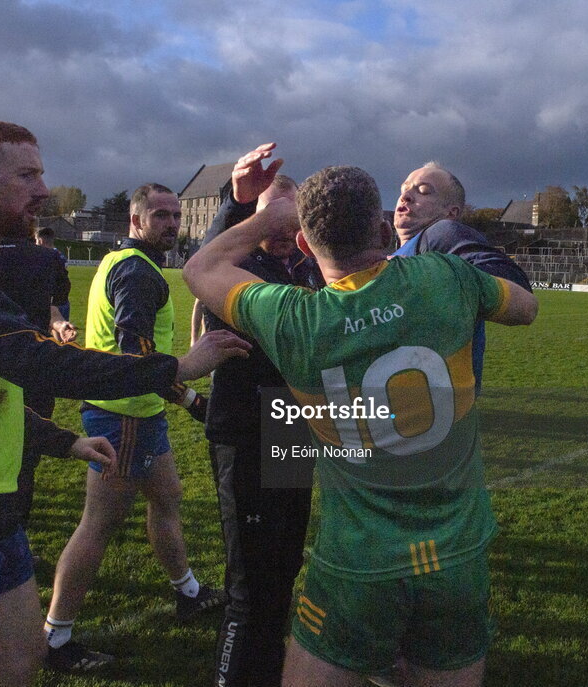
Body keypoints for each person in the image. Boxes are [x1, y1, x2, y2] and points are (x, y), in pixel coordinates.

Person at [0, 119, 250, 687]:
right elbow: (34, 360)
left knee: (21, 660)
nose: (44, 190)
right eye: (27, 175)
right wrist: (180, 368)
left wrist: (62, 440)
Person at [184, 165, 538, 687]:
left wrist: (270, 216)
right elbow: (525, 307)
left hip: (357, 565)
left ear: (304, 243)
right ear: (379, 232)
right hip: (458, 554)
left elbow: (200, 267)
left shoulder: (292, 317)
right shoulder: (447, 278)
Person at [44, 182, 226, 672]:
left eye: (175, 215)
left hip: (141, 412)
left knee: (167, 498)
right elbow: (135, 356)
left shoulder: (124, 262)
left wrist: (183, 399)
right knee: (98, 524)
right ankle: (55, 638)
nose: (170, 222)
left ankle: (187, 592)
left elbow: (139, 362)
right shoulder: (137, 273)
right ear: (136, 220)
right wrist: (189, 379)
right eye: (160, 215)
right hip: (120, 416)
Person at [194, 143, 323, 687]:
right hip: (246, 430)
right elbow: (203, 264)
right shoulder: (240, 262)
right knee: (248, 584)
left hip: (292, 428)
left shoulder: (307, 268)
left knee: (284, 567)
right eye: (276, 212)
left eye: (293, 213)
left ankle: (267, 670)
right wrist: (240, 205)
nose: (283, 223)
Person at [391, 162, 531, 392]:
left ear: (451, 212)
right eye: (404, 188)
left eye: (423, 191)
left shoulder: (442, 232)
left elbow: (519, 292)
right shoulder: (400, 252)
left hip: (436, 402)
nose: (405, 196)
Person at [0, 236, 79, 527]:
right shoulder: (47, 259)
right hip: (19, 366)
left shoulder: (43, 258)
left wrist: (57, 322)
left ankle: (12, 532)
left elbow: (49, 306)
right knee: (24, 454)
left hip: (14, 365)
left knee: (21, 454)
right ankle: (11, 530)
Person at [34, 225, 72, 321]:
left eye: (36, 240)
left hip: (51, 302)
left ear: (40, 241)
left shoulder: (45, 257)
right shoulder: (60, 255)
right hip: (63, 299)